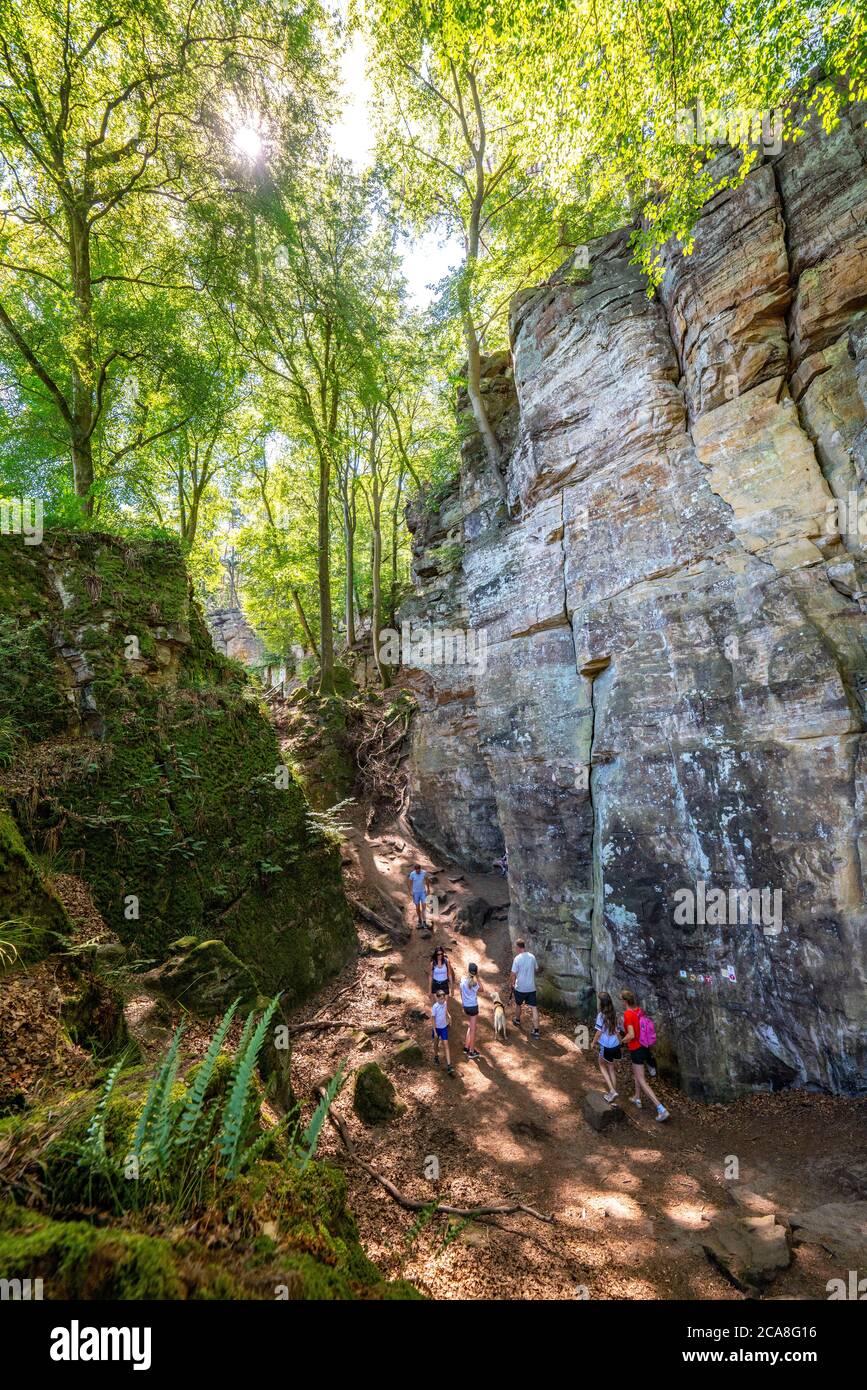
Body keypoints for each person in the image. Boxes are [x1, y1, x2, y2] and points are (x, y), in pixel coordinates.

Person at [620, 988, 670, 1122]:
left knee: (642, 1080)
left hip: (636, 1049)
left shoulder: (628, 1014)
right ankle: (637, 1097)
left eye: (621, 999)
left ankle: (661, 1108)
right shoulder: (639, 1010)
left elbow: (631, 1035)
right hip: (644, 1046)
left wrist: (621, 1041)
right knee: (638, 1075)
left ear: (625, 1001)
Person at [591, 991, 621, 1102]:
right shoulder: (615, 1014)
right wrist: (620, 1042)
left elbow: (598, 1032)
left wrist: (593, 1042)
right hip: (615, 1045)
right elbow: (618, 1031)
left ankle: (612, 1091)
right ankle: (613, 1091)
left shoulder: (601, 1016)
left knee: (601, 1065)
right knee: (611, 1068)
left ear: (601, 1004)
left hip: (606, 1046)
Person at [510, 938, 540, 1039]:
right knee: (534, 1008)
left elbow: (513, 974)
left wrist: (512, 983)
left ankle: (517, 1020)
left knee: (518, 1004)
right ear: (524, 946)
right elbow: (536, 969)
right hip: (531, 987)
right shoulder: (532, 957)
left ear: (518, 948)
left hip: (520, 988)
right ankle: (536, 1031)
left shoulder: (517, 959)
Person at [460, 962, 484, 1058]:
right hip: (473, 1007)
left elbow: (461, 992)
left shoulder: (462, 980)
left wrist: (463, 1002)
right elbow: (482, 989)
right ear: (476, 972)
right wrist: (478, 978)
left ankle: (466, 1047)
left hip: (466, 1006)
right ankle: (471, 1051)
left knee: (470, 1026)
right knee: (473, 1029)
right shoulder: (474, 983)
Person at [431, 990, 454, 1074]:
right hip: (436, 1029)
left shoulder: (444, 1004)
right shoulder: (435, 1007)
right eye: (440, 999)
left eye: (443, 999)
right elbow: (433, 1020)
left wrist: (448, 1016)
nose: (442, 1000)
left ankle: (449, 1065)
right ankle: (436, 1056)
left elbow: (445, 1010)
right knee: (436, 1044)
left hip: (444, 1027)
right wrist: (435, 1031)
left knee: (446, 1044)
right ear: (437, 998)